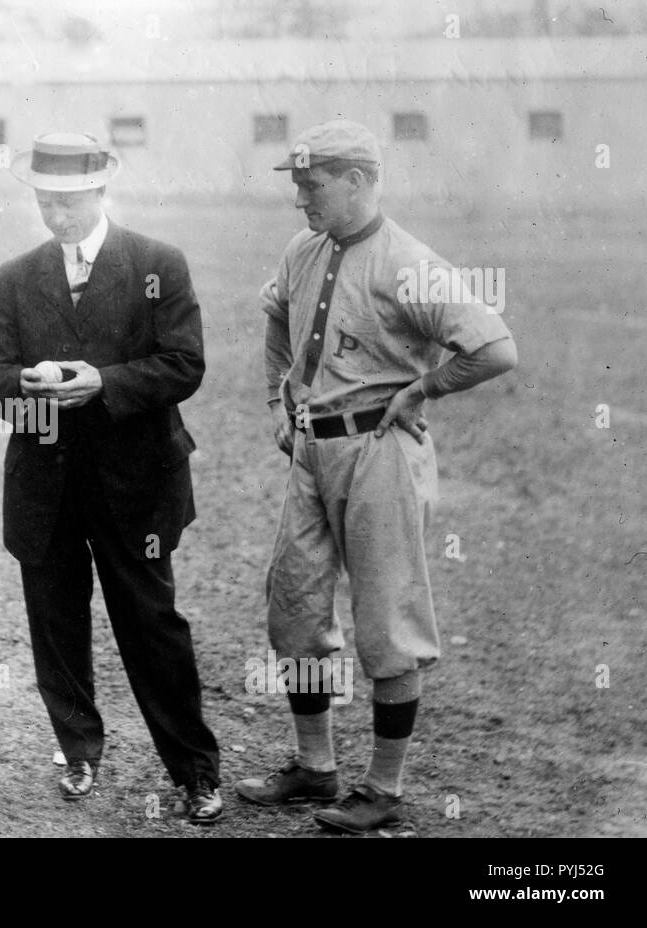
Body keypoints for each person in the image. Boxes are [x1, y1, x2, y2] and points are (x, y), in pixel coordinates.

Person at [238, 119, 518, 833]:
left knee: (389, 621)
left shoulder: (410, 262)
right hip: (311, 451)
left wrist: (420, 390)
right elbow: (275, 318)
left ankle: (383, 790)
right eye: (298, 185)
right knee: (295, 611)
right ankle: (314, 768)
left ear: (359, 180)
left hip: (381, 453)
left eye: (313, 184)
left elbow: (494, 348)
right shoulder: (304, 250)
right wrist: (280, 399)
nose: (301, 198)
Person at [0, 132, 225, 825]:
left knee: (151, 625)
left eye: (70, 203)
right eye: (46, 204)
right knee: (55, 623)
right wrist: (22, 384)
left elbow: (185, 364)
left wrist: (103, 384)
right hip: (44, 483)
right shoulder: (16, 276)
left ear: (100, 192)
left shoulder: (156, 264)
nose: (57, 217)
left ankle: (195, 771)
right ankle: (78, 748)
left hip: (135, 483)